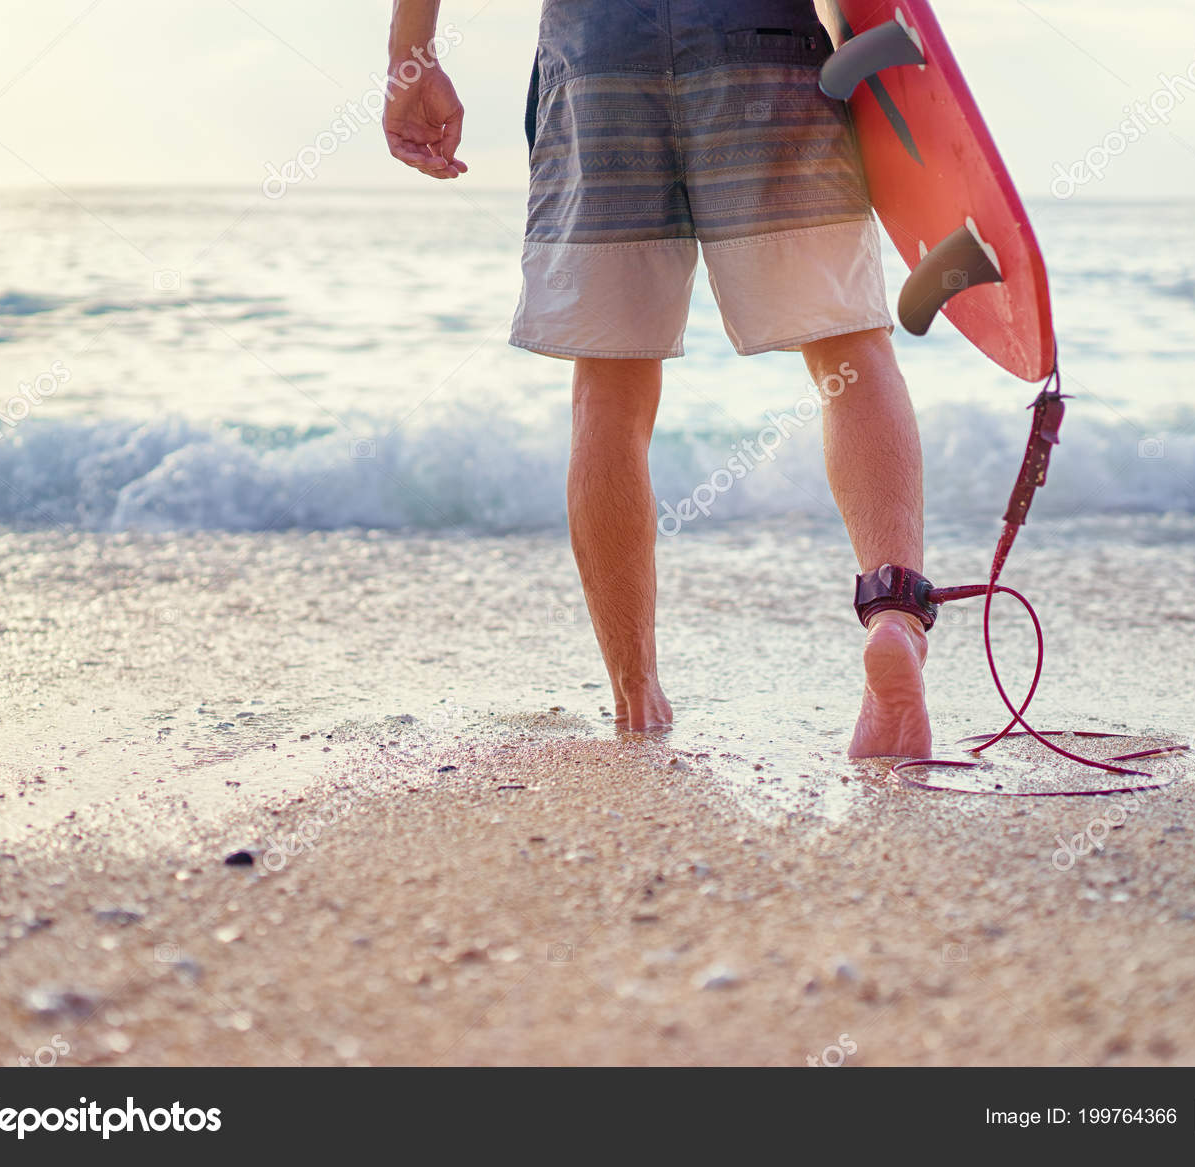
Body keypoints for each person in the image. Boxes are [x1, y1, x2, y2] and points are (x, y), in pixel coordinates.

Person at [385, 0, 935, 757]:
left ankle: (636, 695)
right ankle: (895, 616)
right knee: (849, 350)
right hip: (761, 44)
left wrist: (410, 56)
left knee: (609, 389)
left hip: (598, 55)